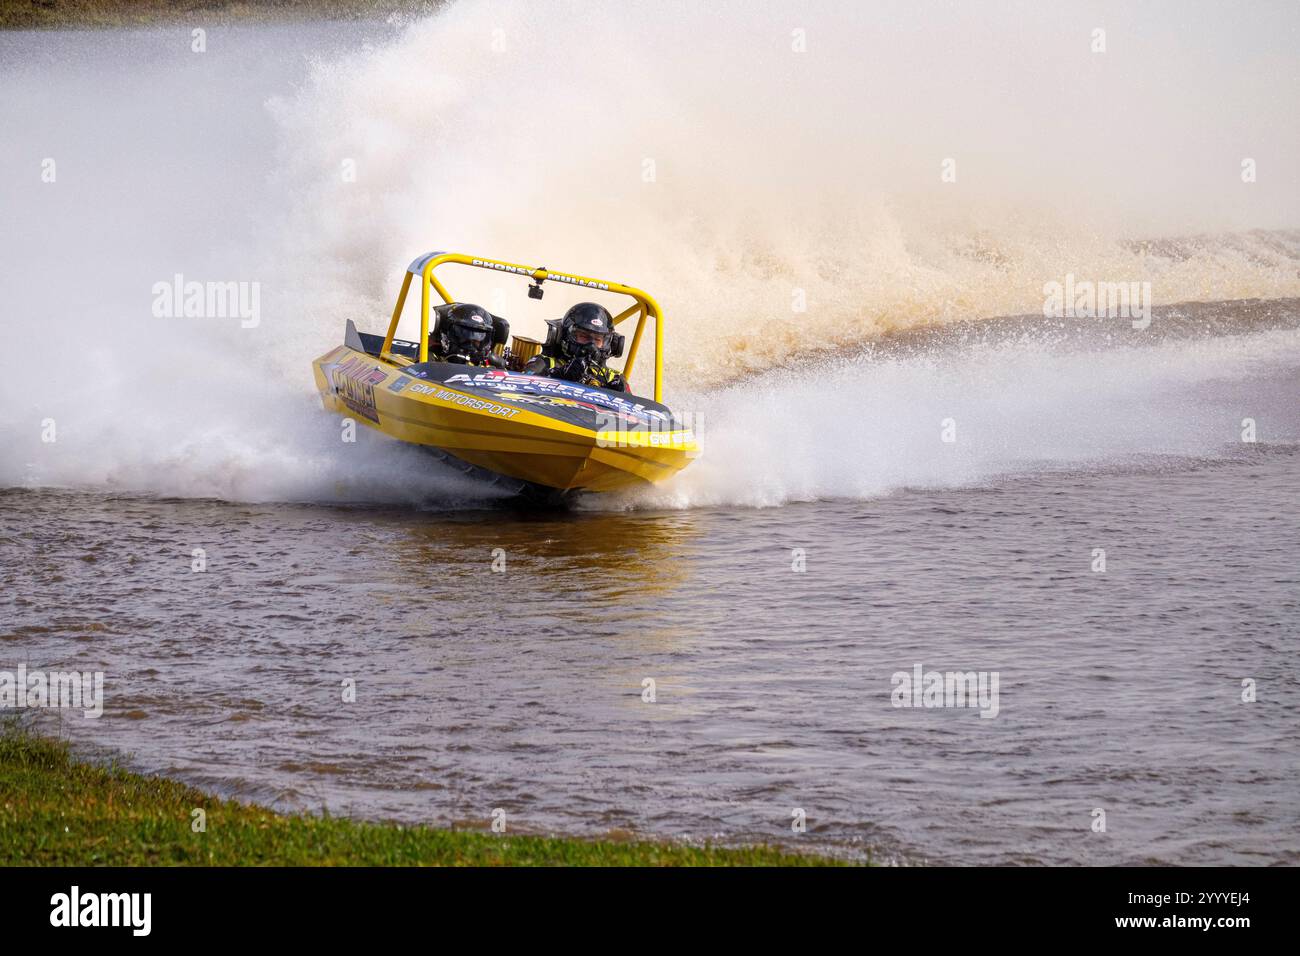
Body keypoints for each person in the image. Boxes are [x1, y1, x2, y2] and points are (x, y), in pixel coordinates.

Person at [524, 302, 628, 391]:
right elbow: (524, 386)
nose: (591, 345)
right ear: (564, 335)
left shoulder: (613, 377)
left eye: (597, 339)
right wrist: (558, 376)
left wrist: (615, 394)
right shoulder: (544, 363)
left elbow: (633, 411)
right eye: (584, 336)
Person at [431, 303, 504, 367]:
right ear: (447, 335)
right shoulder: (430, 358)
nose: (470, 346)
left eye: (476, 341)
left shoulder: (491, 364)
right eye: (465, 339)